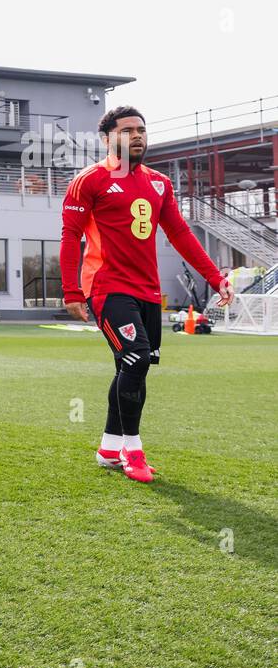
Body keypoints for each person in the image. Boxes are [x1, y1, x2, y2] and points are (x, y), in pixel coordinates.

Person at [61, 105, 233, 483]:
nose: (137, 135)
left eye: (141, 129)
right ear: (107, 138)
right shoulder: (89, 181)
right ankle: (132, 451)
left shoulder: (159, 183)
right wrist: (71, 290)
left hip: (148, 291)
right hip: (106, 287)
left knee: (132, 367)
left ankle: (108, 448)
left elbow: (181, 234)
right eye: (127, 130)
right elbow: (71, 236)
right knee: (136, 359)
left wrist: (214, 277)